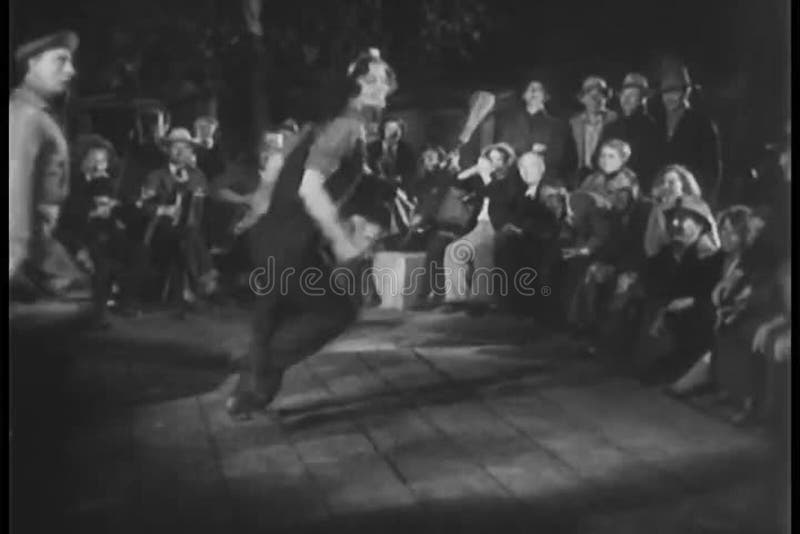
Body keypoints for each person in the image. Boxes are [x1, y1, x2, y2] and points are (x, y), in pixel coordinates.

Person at [226, 48, 397, 418]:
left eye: (385, 79)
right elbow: (309, 187)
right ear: (354, 89)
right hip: (291, 240)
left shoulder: (319, 125)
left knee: (274, 316)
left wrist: (257, 211)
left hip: (271, 236)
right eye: (373, 80)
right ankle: (258, 366)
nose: (383, 86)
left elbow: (275, 171)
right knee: (339, 310)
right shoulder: (346, 127)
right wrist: (341, 241)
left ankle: (248, 393)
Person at [9, 29, 92, 301]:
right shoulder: (27, 117)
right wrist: (15, 259)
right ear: (31, 63)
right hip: (29, 258)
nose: (71, 70)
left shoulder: (37, 115)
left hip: (40, 250)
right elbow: (14, 192)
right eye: (60, 60)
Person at [58, 135, 150, 323]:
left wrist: (135, 205)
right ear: (83, 160)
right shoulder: (73, 182)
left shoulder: (109, 183)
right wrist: (92, 211)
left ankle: (125, 301)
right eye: (94, 160)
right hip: (81, 234)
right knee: (102, 260)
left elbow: (123, 210)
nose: (99, 165)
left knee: (139, 252)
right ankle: (97, 313)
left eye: (103, 160)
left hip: (109, 233)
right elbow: (67, 215)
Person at [635, 195, 723, 384]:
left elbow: (711, 295)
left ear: (700, 224)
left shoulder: (709, 256)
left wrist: (685, 303)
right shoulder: (673, 251)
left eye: (683, 219)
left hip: (697, 319)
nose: (676, 223)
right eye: (674, 218)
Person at [140, 128, 218, 304]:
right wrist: (164, 210)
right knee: (189, 236)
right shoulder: (156, 176)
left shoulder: (197, 175)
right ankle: (204, 278)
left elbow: (202, 204)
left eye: (185, 148)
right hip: (161, 230)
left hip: (192, 229)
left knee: (188, 236)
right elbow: (145, 206)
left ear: (191, 151)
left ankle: (190, 287)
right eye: (176, 147)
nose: (180, 151)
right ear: (167, 150)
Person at [652, 62, 722, 207]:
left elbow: (711, 169)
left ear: (686, 92)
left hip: (690, 198)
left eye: (674, 92)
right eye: (666, 92)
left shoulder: (702, 124)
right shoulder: (656, 123)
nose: (669, 97)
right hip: (659, 199)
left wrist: (703, 202)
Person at [490, 77, 575, 179]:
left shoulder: (557, 125)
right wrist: (530, 148)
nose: (533, 91)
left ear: (546, 96)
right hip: (511, 177)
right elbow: (501, 149)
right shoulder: (507, 122)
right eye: (530, 88)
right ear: (523, 95)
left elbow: (557, 156)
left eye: (538, 89)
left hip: (543, 178)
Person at [599, 73, 660, 191]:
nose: (626, 99)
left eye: (632, 95)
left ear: (643, 99)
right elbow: (598, 159)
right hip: (610, 189)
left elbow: (652, 168)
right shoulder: (611, 128)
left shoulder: (653, 129)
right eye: (624, 95)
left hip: (640, 190)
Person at [569, 76, 619, 186]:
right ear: (583, 99)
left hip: (606, 178)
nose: (596, 101)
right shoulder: (574, 123)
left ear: (606, 98)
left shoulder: (614, 120)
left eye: (601, 95)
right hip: (580, 178)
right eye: (592, 96)